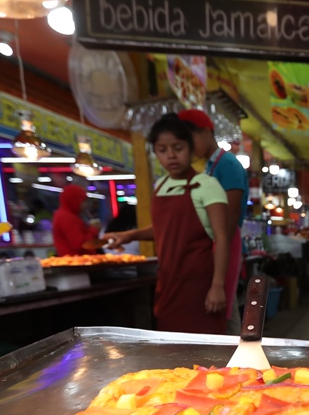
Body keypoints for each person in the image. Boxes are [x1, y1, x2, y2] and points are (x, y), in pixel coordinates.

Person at [103, 114, 229, 334]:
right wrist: (130, 235)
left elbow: (223, 237)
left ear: (190, 148)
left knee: (205, 351)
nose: (171, 155)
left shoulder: (207, 185)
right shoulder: (161, 185)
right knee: (170, 346)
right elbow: (166, 230)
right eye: (162, 149)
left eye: (177, 147)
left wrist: (218, 286)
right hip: (169, 283)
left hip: (200, 283)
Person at [178, 109, 249, 334]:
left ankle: (238, 364)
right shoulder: (210, 165)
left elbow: (228, 219)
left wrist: (218, 253)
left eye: (190, 139)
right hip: (217, 243)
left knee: (222, 306)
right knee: (225, 309)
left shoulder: (227, 164)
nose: (188, 147)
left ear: (207, 133)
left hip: (225, 241)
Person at [52, 185, 100, 256]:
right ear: (74, 200)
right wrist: (93, 230)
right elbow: (79, 244)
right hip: (77, 262)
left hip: (71, 260)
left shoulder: (63, 215)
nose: (85, 205)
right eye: (83, 201)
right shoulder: (68, 218)